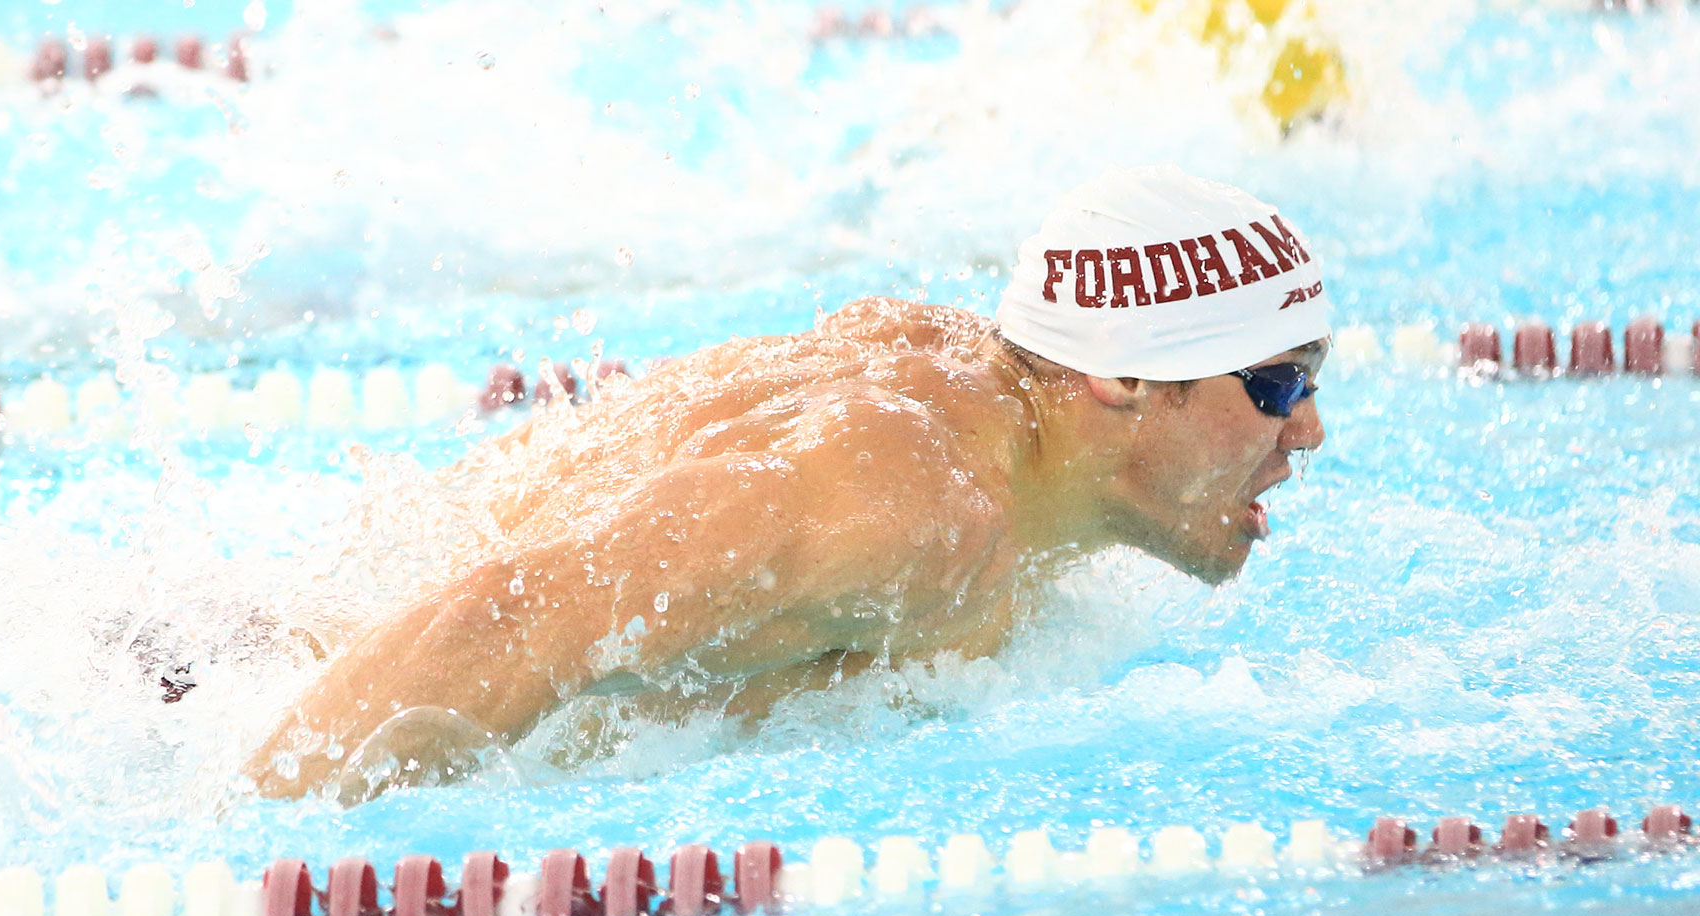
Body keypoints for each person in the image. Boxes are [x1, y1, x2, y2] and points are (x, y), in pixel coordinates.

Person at [246, 165, 1330, 803]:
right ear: (1120, 375)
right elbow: (507, 615)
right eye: (1278, 385)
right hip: (251, 695)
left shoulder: (997, 414)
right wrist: (254, 850)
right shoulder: (902, 502)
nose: (1308, 433)